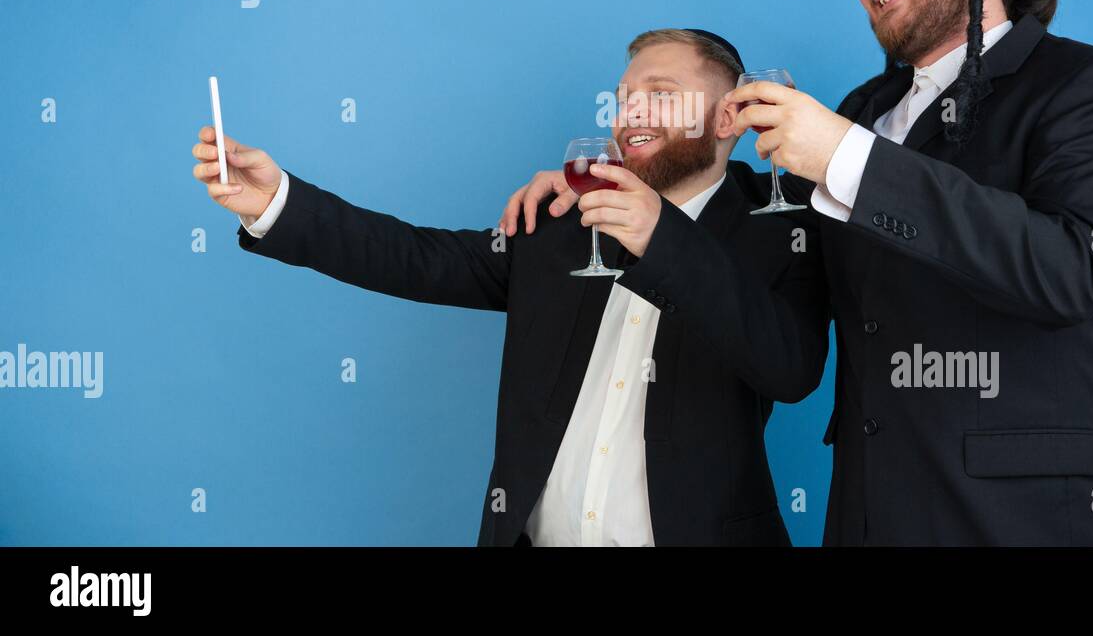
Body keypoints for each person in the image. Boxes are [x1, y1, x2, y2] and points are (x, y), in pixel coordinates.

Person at [504, 0, 1093, 546]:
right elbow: (769, 215)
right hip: (872, 509)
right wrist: (615, 182)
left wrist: (846, 153)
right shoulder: (864, 108)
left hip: (1032, 520)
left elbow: (1070, 270)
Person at [192, 28, 829, 546]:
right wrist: (276, 201)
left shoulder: (785, 225)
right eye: (623, 96)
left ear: (728, 119)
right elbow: (416, 258)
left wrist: (662, 238)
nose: (630, 110)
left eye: (660, 93)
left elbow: (792, 370)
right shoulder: (560, 221)